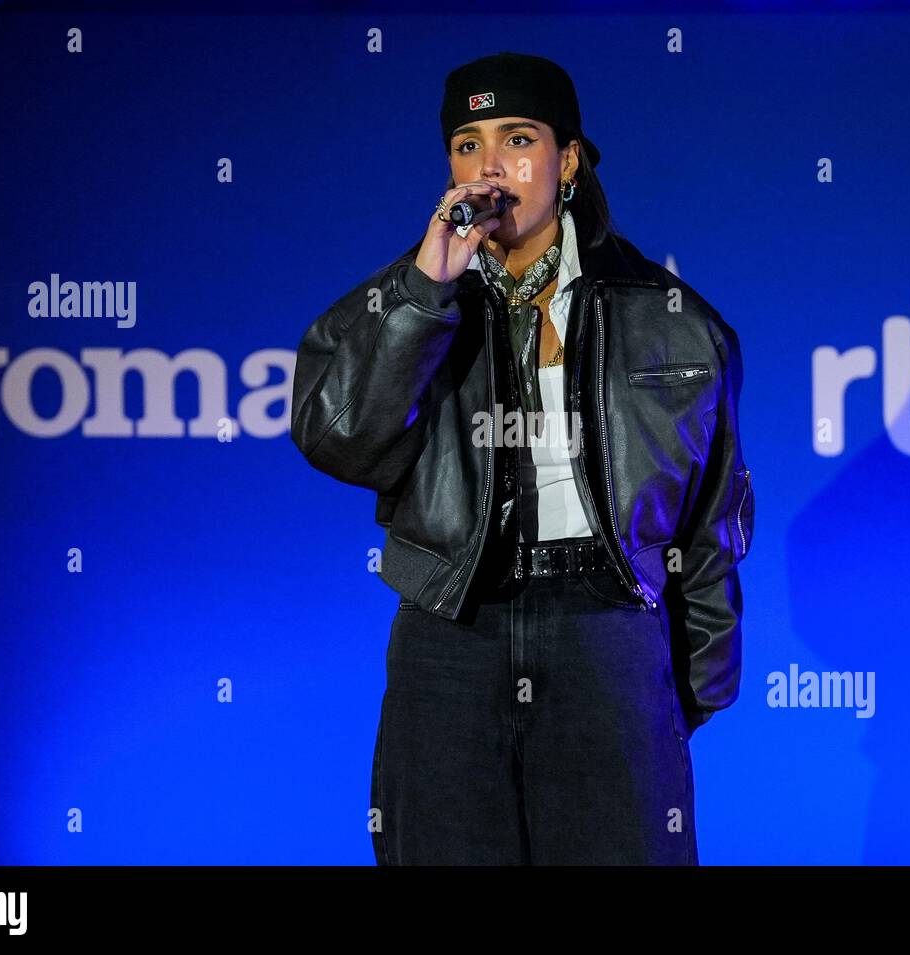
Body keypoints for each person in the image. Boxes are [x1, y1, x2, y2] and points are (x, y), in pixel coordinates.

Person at [290, 51, 753, 865]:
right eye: (467, 144)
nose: (490, 166)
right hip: (452, 633)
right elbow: (339, 436)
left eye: (517, 138)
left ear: (567, 160)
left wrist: (685, 688)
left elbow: (711, 518)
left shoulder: (671, 318)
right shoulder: (412, 299)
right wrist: (425, 293)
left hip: (607, 628)